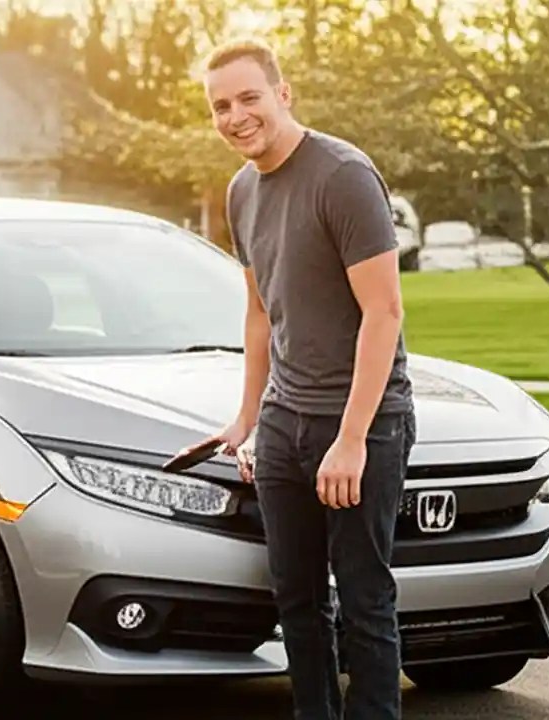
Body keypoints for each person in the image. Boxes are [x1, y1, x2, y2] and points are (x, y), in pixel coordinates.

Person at [181, 38, 416, 720]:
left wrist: (352, 439)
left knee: (365, 599)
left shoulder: (342, 175)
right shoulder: (240, 190)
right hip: (285, 423)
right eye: (221, 106)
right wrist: (248, 418)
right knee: (297, 600)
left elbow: (384, 313)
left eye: (249, 98)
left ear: (283, 95)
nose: (235, 116)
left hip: (363, 421)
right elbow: (260, 313)